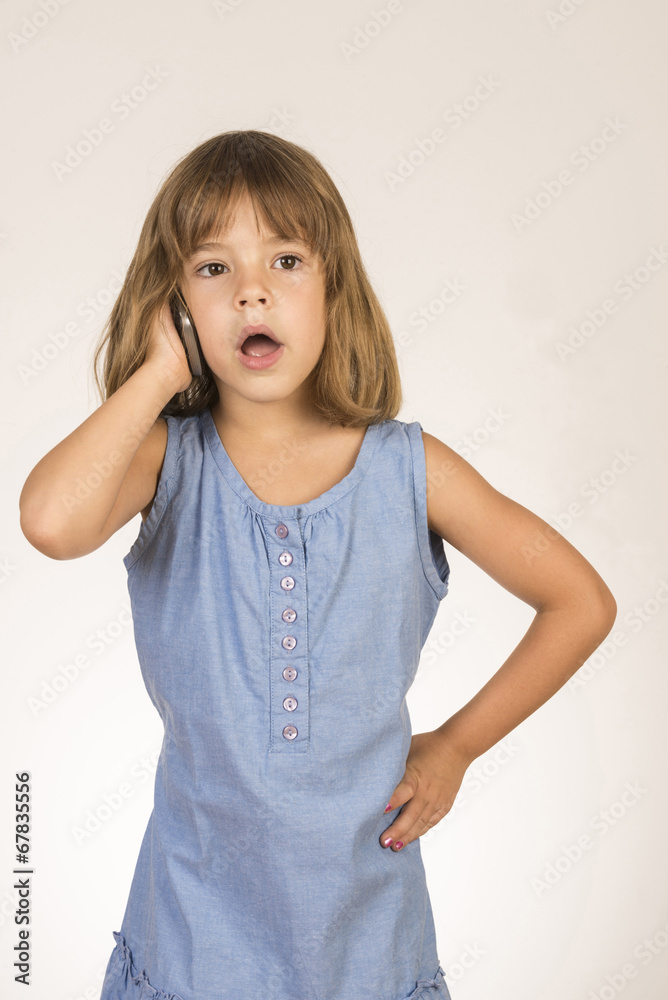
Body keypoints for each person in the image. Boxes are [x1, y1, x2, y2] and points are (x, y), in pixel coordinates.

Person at [18, 130, 617, 1000]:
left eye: (287, 259)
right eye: (212, 268)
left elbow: (580, 602)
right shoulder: (164, 462)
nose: (252, 289)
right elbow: (49, 521)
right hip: (192, 941)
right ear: (175, 303)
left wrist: (454, 747)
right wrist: (154, 374)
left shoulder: (411, 469)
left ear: (335, 286)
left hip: (367, 950)